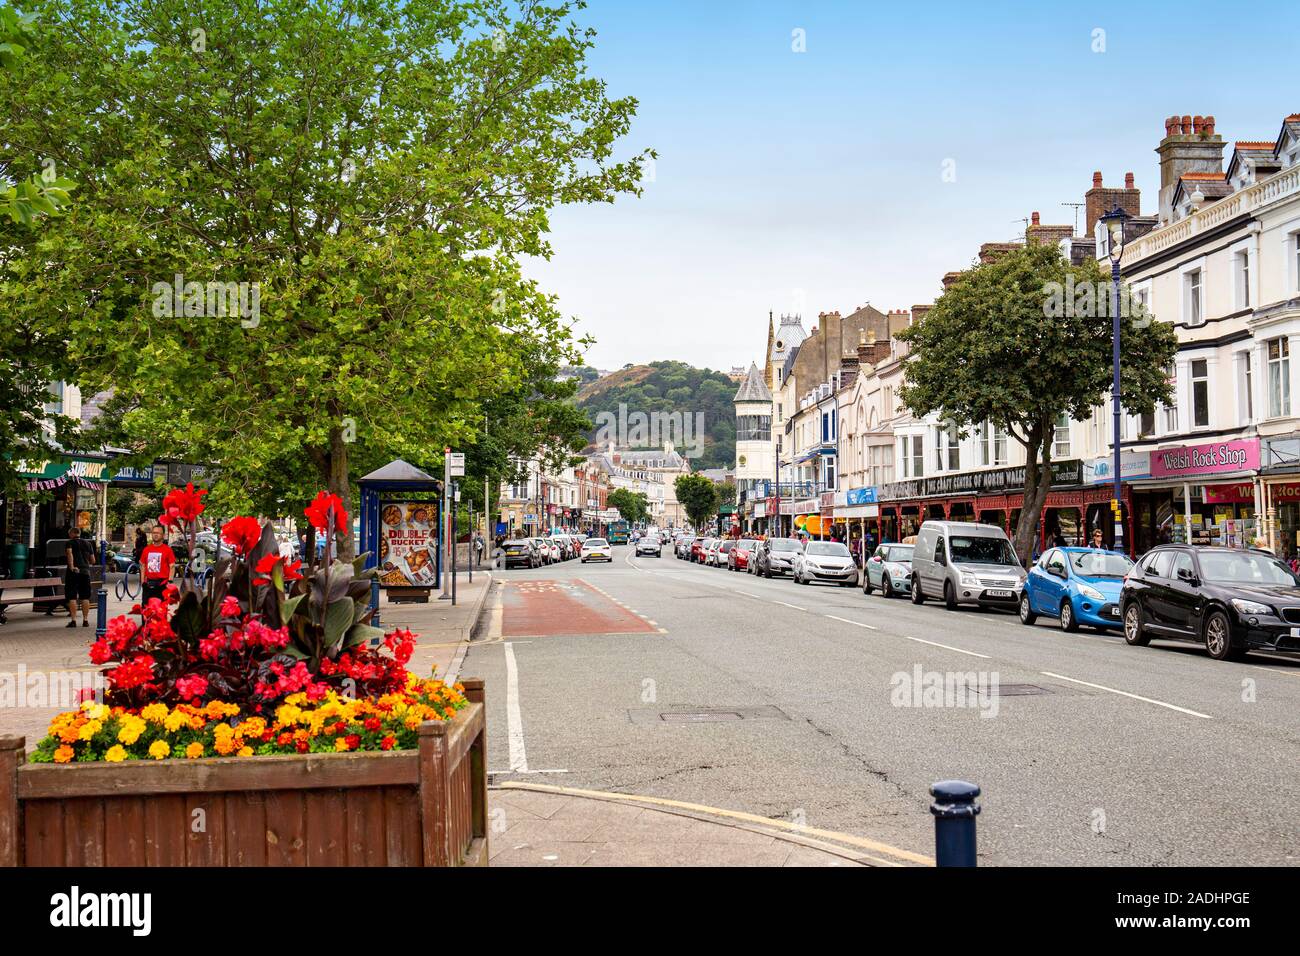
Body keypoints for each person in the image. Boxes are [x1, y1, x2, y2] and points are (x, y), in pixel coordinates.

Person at [63, 526, 95, 628]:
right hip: (85, 572)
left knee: (72, 596)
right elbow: (93, 560)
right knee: (85, 597)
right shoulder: (88, 544)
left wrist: (72, 567)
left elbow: (69, 554)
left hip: (74, 572)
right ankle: (85, 620)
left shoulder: (70, 543)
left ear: (72, 534)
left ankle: (73, 620)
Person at [139, 525, 176, 605]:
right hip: (148, 584)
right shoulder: (146, 549)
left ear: (163, 535)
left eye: (158, 533)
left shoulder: (167, 550)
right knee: (146, 610)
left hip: (162, 584)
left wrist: (170, 581)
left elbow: (172, 566)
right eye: (154, 533)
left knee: (161, 610)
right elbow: (143, 566)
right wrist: (142, 582)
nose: (155, 535)